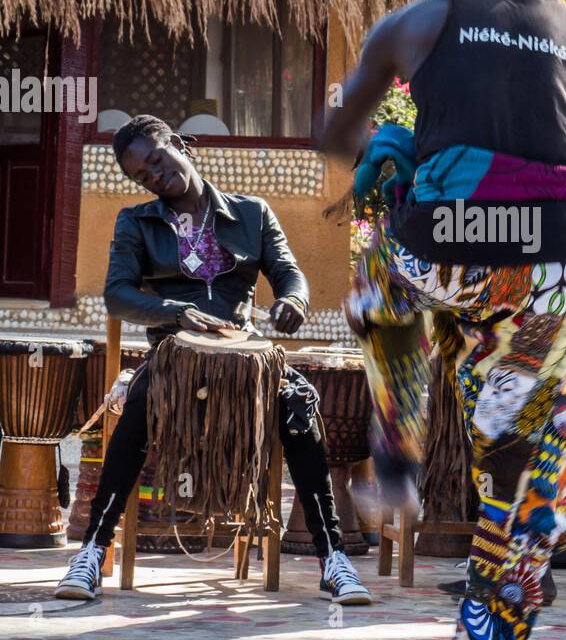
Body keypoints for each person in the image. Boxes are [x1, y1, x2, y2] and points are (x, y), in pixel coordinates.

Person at [318, 0, 566, 640]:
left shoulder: (422, 18)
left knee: (382, 272)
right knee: (518, 484)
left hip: (439, 244)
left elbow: (338, 134)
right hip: (554, 264)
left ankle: (398, 448)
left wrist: (385, 147)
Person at [55, 115, 371, 606]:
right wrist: (173, 311)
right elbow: (117, 294)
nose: (155, 177)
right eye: (143, 176)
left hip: (246, 360)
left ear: (179, 145)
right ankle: (92, 552)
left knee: (300, 408)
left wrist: (294, 301)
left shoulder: (251, 213)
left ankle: (335, 560)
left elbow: (289, 272)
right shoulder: (136, 223)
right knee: (136, 409)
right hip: (174, 357)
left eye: (157, 161)